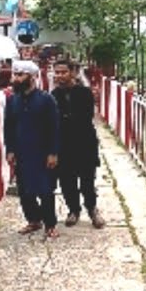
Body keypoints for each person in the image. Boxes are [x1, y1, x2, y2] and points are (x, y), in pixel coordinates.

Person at [4, 59, 60, 238]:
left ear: (32, 77)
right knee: (24, 190)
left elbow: (54, 128)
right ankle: (34, 220)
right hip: (21, 152)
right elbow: (9, 127)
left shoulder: (46, 99)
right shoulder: (12, 100)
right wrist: (10, 150)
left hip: (42, 152)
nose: (16, 78)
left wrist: (53, 152)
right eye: (15, 74)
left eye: (20, 75)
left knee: (45, 190)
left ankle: (50, 224)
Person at [51, 58, 104, 228]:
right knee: (67, 181)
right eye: (57, 72)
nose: (60, 75)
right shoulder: (53, 96)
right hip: (63, 145)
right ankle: (73, 210)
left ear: (73, 73)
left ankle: (92, 209)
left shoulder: (84, 93)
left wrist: (66, 118)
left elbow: (85, 117)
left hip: (84, 143)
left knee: (87, 180)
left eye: (63, 72)